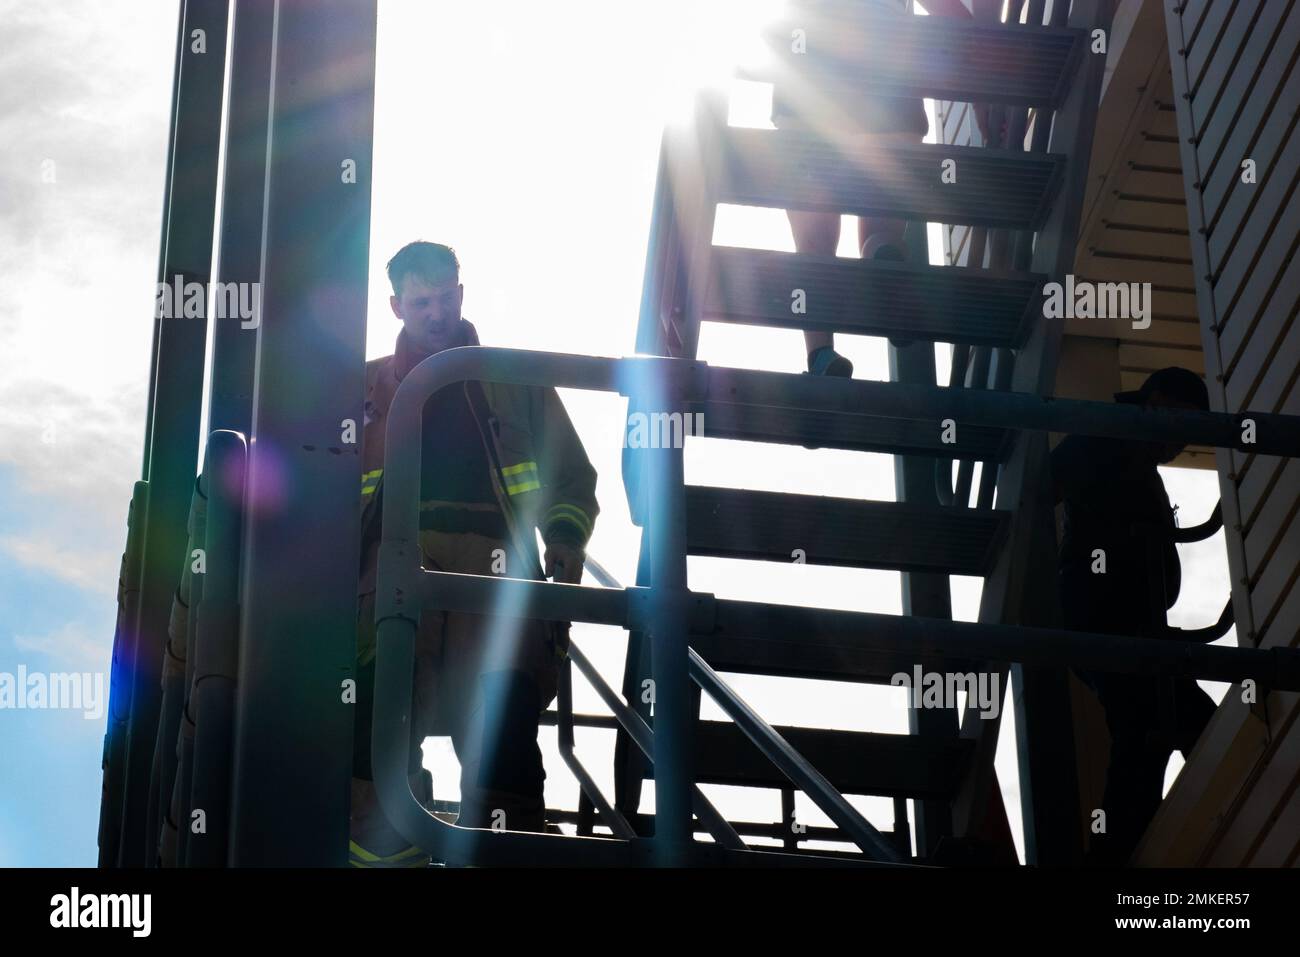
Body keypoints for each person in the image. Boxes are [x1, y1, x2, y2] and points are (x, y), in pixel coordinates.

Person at [350, 241, 599, 866]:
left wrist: (564, 541)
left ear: (462, 292)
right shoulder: (362, 390)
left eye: (445, 297)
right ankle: (378, 857)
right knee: (375, 722)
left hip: (496, 581)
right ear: (396, 306)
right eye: (420, 302)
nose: (435, 313)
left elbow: (571, 478)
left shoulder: (517, 383)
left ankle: (503, 855)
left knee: (505, 733)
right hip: (394, 576)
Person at [773, 0, 1000, 377]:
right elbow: (955, 17)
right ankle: (883, 261)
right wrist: (981, 92)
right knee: (882, 218)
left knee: (814, 243)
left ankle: (821, 356)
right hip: (890, 89)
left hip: (809, 87)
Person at [1050, 367, 1217, 866]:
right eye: (1182, 425)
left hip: (1132, 627)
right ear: (1156, 401)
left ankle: (1121, 851)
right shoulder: (1103, 438)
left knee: (1154, 728)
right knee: (1159, 724)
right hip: (1104, 620)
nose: (1180, 443)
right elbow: (1041, 490)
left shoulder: (1131, 453)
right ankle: (1115, 854)